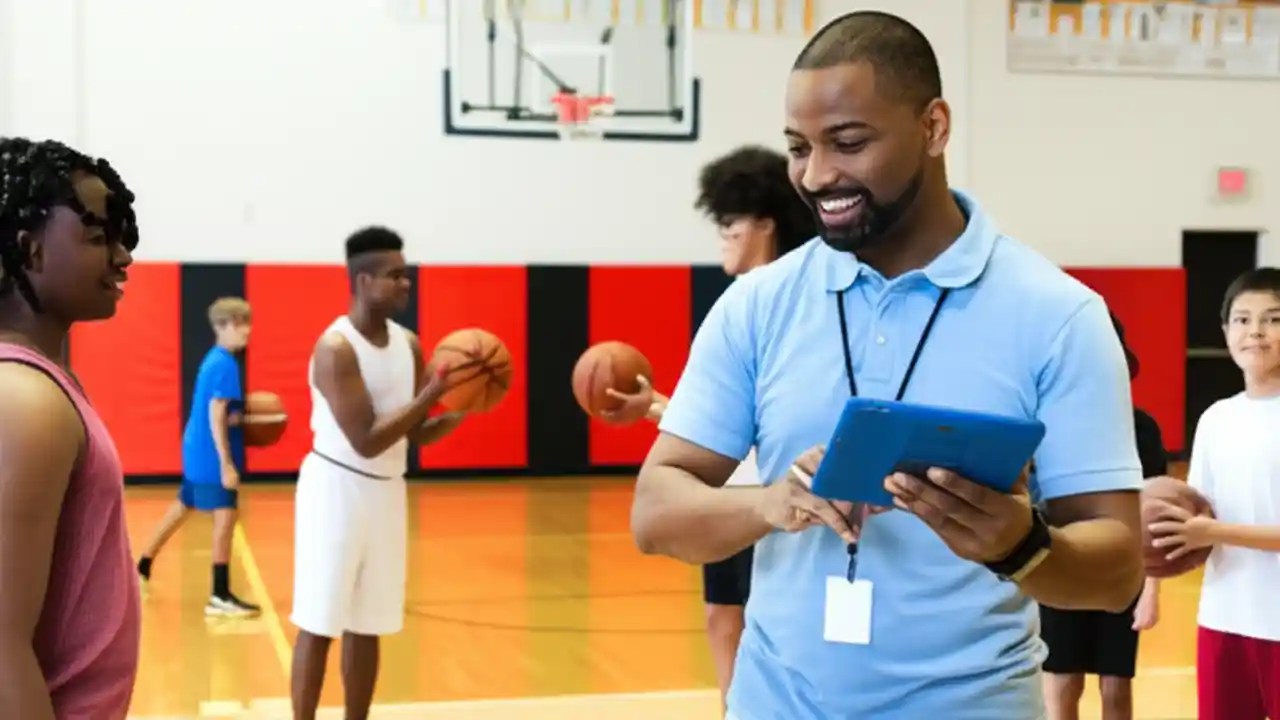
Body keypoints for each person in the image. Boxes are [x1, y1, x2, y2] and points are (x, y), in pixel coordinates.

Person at [629, 11, 1146, 719]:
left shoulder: (1058, 316)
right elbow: (655, 512)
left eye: (849, 142)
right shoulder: (758, 304)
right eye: (798, 147)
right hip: (776, 703)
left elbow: (1117, 571)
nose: (816, 175)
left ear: (933, 127)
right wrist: (769, 504)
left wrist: (1021, 545)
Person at [604, 145, 816, 705]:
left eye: (730, 223)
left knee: (750, 623)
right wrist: (655, 407)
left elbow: (757, 428)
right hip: (737, 492)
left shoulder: (784, 302)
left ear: (766, 223)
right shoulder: (749, 301)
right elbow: (725, 424)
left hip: (769, 495)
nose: (722, 234)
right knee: (723, 617)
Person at [289, 226, 465, 720]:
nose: (406, 284)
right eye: (395, 277)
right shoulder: (335, 348)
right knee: (320, 621)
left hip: (388, 490)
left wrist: (463, 408)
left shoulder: (408, 345)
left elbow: (411, 431)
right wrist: (430, 397)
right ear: (363, 281)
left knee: (370, 622)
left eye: (406, 276)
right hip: (336, 487)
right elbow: (366, 439)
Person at [0, 137, 141, 719]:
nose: (123, 256)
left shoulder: (44, 383)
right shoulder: (27, 400)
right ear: (30, 252)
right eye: (96, 237)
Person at [1148, 267, 1280, 720]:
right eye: (1242, 320)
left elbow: (1204, 526)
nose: (1256, 332)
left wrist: (1214, 531)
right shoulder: (1215, 419)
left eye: (1273, 319)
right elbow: (1184, 513)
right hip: (1224, 618)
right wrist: (1152, 584)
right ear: (1226, 331)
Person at [1038, 311, 1167, 720]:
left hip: (1121, 571)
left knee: (1115, 687)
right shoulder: (1048, 428)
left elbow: (1156, 514)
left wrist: (1151, 590)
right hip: (1061, 563)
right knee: (1062, 682)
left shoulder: (1140, 428)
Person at [136, 297, 261, 617]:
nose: (247, 331)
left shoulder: (213, 360)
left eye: (247, 323)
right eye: (240, 324)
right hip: (210, 452)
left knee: (181, 509)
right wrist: (226, 463)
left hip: (195, 446)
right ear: (224, 327)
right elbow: (215, 412)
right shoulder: (225, 364)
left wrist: (238, 419)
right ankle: (219, 595)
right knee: (225, 520)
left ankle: (142, 566)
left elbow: (218, 411)